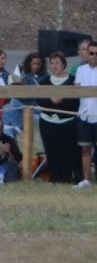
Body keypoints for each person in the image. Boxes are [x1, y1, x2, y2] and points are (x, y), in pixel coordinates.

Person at [41, 53, 79, 184]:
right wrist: (51, 100)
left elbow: (75, 103)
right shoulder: (44, 81)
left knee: (67, 151)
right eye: (52, 63)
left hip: (66, 122)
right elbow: (39, 100)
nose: (54, 65)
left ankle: (66, 179)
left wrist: (61, 100)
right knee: (52, 151)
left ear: (63, 64)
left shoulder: (72, 80)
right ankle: (54, 179)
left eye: (57, 62)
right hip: (48, 121)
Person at [76, 41, 97, 188]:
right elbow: (77, 90)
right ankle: (86, 179)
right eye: (92, 53)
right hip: (84, 114)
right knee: (85, 148)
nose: (94, 56)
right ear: (86, 54)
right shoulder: (80, 70)